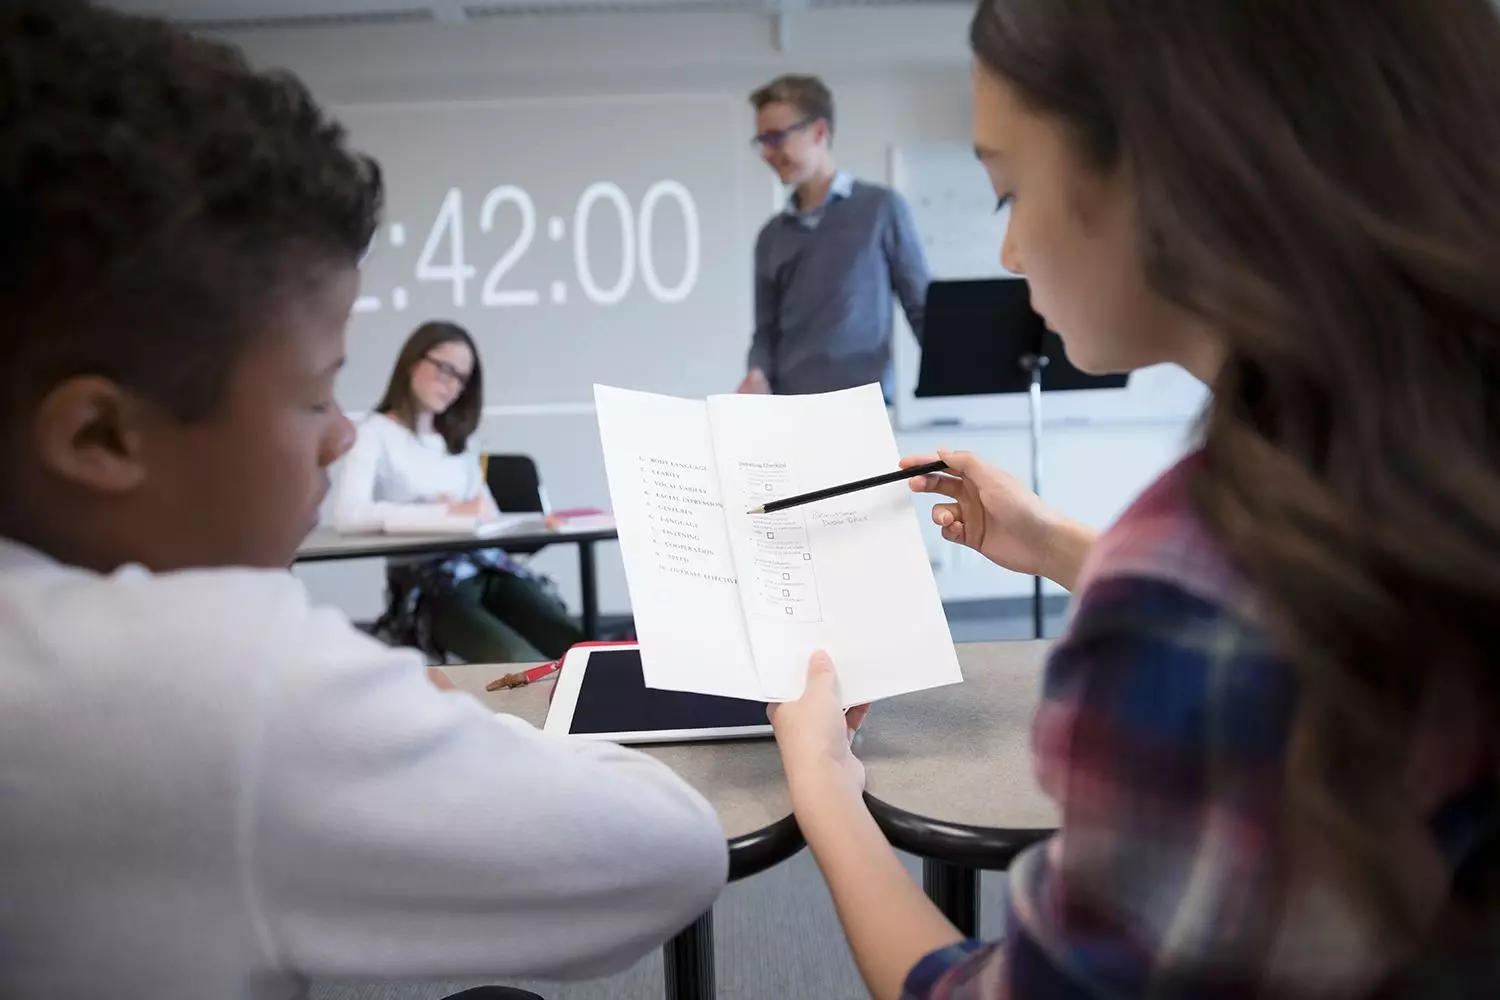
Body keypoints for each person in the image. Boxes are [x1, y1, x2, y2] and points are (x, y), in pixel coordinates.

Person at [768, 1, 1500, 998]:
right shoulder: (1432, 461)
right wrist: (1067, 544)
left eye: (1007, 192)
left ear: (1176, 166)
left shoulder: (1182, 608)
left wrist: (826, 792)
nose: (1013, 250)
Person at [0, 4, 727, 998]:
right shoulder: (219, 681)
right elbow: (679, 853)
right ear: (100, 438)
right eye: (310, 394)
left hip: (482, 564)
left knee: (556, 630)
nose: (336, 430)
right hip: (430, 590)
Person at [331, 320, 585, 664]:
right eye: (444, 370)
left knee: (574, 644)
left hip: (485, 568)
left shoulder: (456, 441)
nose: (452, 386)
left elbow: (486, 514)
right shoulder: (374, 434)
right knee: (518, 660)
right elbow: (348, 516)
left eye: (462, 378)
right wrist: (441, 514)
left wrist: (463, 511)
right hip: (429, 587)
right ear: (413, 362)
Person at [740, 73, 931, 399]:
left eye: (776, 138)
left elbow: (922, 307)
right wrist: (757, 373)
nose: (767, 153)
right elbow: (766, 332)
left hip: (863, 407)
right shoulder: (771, 236)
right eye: (762, 141)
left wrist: (957, 373)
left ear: (819, 132)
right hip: (793, 410)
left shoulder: (880, 209)